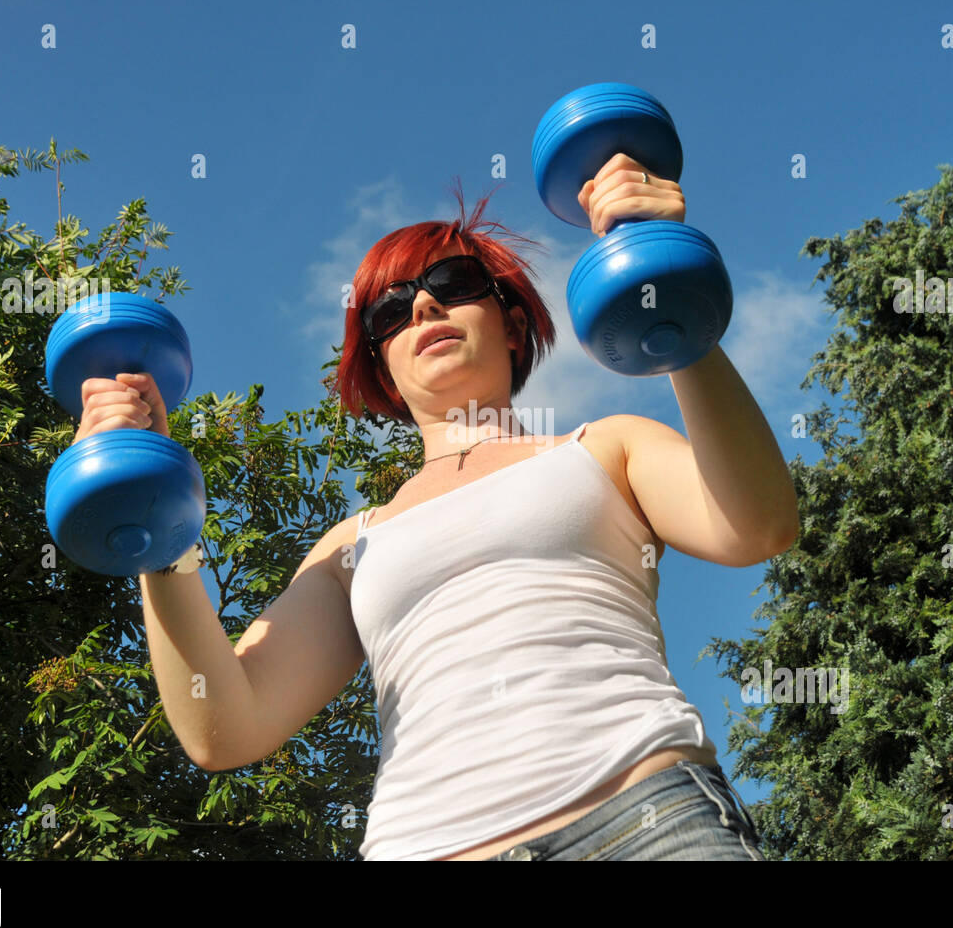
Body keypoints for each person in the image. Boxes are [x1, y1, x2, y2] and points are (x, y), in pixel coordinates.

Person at [83, 155, 799, 860]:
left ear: (513, 326)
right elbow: (225, 727)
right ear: (384, 368)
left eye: (452, 283)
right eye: (391, 310)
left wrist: (662, 286)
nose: (423, 305)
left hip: (644, 822)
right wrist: (155, 506)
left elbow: (757, 524)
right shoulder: (350, 546)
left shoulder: (606, 446)